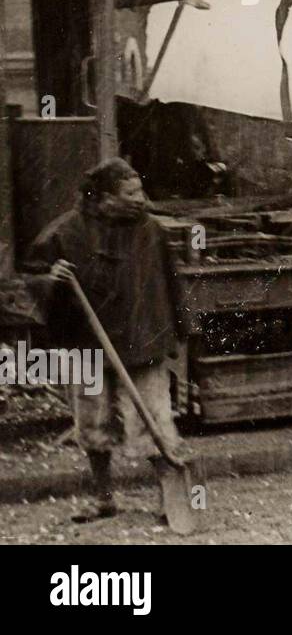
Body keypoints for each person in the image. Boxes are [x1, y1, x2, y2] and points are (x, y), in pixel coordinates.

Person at [25, 157, 189, 524]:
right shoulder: (66, 233)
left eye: (140, 190)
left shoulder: (152, 232)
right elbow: (31, 279)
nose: (140, 199)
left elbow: (172, 286)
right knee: (93, 424)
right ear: (103, 197)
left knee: (156, 420)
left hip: (142, 341)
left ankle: (170, 499)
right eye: (130, 193)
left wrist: (178, 335)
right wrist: (52, 278)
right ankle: (104, 499)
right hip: (87, 344)